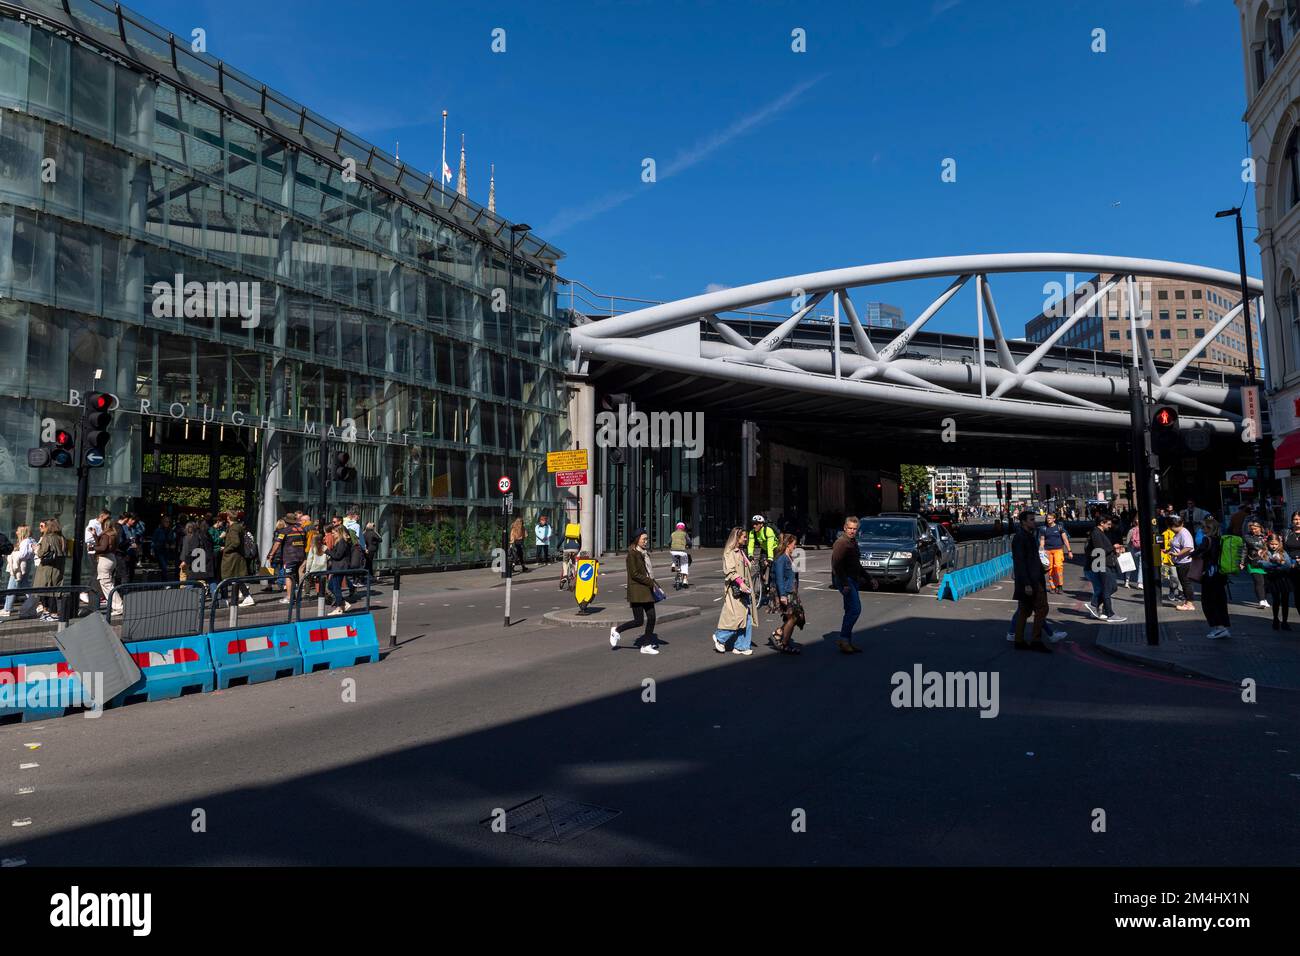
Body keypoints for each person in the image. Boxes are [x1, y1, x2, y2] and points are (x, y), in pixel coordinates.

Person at [609, 529, 659, 654]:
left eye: (647, 539)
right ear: (637, 539)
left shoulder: (644, 553)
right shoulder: (632, 554)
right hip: (637, 591)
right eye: (644, 539)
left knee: (652, 617)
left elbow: (647, 572)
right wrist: (650, 582)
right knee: (639, 621)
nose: (646, 541)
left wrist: (653, 583)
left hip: (646, 590)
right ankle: (616, 631)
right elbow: (634, 574)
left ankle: (646, 646)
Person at [830, 515, 873, 654]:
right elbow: (836, 565)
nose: (852, 531)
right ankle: (843, 639)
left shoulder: (853, 542)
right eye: (849, 528)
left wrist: (869, 578)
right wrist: (844, 583)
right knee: (855, 609)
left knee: (850, 610)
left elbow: (857, 565)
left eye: (854, 529)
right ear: (844, 528)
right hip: (846, 580)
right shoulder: (841, 543)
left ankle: (846, 641)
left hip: (853, 579)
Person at [1012, 510, 1052, 651]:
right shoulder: (1020, 538)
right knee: (1042, 608)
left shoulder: (1029, 536)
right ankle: (1035, 640)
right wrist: (1027, 584)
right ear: (1023, 522)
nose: (1034, 522)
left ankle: (1019, 640)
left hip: (1033, 577)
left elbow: (1032, 559)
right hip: (1031, 581)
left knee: (1025, 610)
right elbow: (1021, 562)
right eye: (1031, 520)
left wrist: (1042, 568)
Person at [712, 527, 753, 655]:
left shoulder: (741, 551)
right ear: (737, 537)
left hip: (744, 588)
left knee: (746, 617)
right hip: (735, 589)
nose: (746, 539)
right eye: (744, 537)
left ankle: (741, 646)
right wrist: (741, 583)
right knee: (737, 617)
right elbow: (730, 571)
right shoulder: (730, 552)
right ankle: (720, 637)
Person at [1083, 513, 1127, 622]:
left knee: (1113, 587)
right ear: (1101, 523)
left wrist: (1115, 549)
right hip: (1102, 565)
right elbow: (1100, 550)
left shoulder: (1101, 533)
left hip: (1106, 563)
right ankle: (1109, 614)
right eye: (1108, 524)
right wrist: (1113, 547)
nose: (1110, 526)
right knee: (1107, 589)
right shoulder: (1096, 533)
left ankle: (1094, 605)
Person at [768, 533, 803, 654]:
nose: (795, 546)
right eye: (794, 544)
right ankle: (784, 644)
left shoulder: (791, 557)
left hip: (792, 592)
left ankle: (778, 633)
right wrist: (782, 595)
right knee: (792, 618)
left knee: (795, 617)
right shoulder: (781, 559)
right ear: (788, 544)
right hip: (785, 593)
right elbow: (779, 578)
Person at [1197, 517, 1231, 639]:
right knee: (1220, 601)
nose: (1202, 529)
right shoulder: (1221, 539)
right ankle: (1223, 627)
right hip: (1221, 575)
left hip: (1210, 575)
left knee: (1208, 602)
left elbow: (1198, 552)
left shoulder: (1207, 540)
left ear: (1209, 528)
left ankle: (1218, 627)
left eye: (1204, 527)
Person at [267, 514, 307, 605]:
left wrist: (271, 555)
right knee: (296, 577)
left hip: (290, 557)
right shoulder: (302, 530)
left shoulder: (284, 531)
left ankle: (289, 597)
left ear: (286, 521)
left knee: (288, 577)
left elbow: (277, 544)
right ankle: (297, 596)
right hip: (301, 556)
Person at [220, 511, 254, 607]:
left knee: (227, 577)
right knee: (236, 578)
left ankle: (226, 600)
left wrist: (226, 549)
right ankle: (245, 597)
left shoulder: (233, 528)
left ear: (228, 518)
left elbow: (236, 542)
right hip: (237, 557)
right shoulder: (238, 527)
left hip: (231, 557)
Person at [1, 525, 37, 617]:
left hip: (19, 567)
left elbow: (22, 554)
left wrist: (13, 554)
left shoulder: (25, 541)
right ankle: (36, 603)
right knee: (25, 586)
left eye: (17, 531)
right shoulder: (31, 540)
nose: (16, 532)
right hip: (25, 565)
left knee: (11, 587)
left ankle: (7, 608)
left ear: (22, 532)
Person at [1262, 533, 1294, 630]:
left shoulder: (1283, 552)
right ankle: (1275, 619)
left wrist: (1273, 564)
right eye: (1272, 544)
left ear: (1279, 543)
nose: (1274, 546)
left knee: (1285, 601)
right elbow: (1263, 564)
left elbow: (1287, 565)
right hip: (1273, 579)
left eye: (1276, 544)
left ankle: (1285, 621)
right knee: (1276, 600)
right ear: (1268, 543)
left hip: (1284, 579)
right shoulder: (1265, 553)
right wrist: (1278, 564)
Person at [1166, 515, 1196, 612]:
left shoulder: (1183, 533)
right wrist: (1170, 550)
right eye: (1172, 527)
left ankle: (1189, 604)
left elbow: (1188, 547)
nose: (1173, 529)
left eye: (1175, 527)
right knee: (1184, 582)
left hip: (1185, 562)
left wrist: (1177, 554)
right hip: (1180, 561)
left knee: (1186, 582)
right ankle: (1188, 602)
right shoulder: (1179, 532)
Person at [746, 515, 778, 608]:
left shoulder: (768, 530)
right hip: (764, 549)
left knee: (772, 569)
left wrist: (770, 559)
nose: (754, 526)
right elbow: (750, 545)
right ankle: (763, 582)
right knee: (761, 565)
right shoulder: (752, 533)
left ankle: (772, 586)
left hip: (774, 549)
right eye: (753, 524)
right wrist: (750, 555)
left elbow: (770, 545)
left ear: (761, 524)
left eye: (756, 524)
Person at [1038, 512, 1072, 593]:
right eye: (1047, 518)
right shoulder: (1044, 529)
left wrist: (1069, 551)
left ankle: (1060, 585)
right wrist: (1041, 550)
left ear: (1054, 519)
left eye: (1050, 518)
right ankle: (1052, 587)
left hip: (1058, 550)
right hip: (1048, 551)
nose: (1048, 519)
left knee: (1058, 567)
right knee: (1050, 569)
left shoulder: (1059, 528)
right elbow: (1042, 540)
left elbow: (1065, 540)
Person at [94, 522, 123, 616]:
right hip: (110, 558)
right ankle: (116, 605)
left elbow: (102, 548)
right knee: (107, 583)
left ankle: (118, 607)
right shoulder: (113, 535)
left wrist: (92, 548)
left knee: (106, 584)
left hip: (105, 559)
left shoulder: (106, 535)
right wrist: (95, 536)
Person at [325, 526, 354, 615]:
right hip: (338, 567)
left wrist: (327, 551)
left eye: (334, 533)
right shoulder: (339, 542)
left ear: (339, 533)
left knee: (336, 587)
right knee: (331, 586)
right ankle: (343, 604)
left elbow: (338, 555)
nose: (332, 535)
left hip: (340, 567)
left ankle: (339, 608)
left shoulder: (342, 542)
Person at [151, 516, 176, 580]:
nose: (167, 523)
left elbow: (172, 540)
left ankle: (161, 581)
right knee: (164, 567)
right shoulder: (158, 530)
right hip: (159, 551)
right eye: (165, 521)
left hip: (167, 551)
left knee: (164, 567)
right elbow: (153, 541)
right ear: (162, 522)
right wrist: (152, 550)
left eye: (168, 522)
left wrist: (172, 545)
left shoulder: (170, 531)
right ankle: (165, 582)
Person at [1124, 516, 1144, 589]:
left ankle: (1127, 581)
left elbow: (1127, 542)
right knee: (1141, 567)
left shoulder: (1131, 530)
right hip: (1141, 550)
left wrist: (1128, 551)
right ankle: (1140, 583)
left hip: (1133, 550)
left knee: (1129, 566)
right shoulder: (1143, 530)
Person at [668, 521, 691, 588]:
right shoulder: (685, 534)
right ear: (683, 528)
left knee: (674, 557)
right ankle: (684, 580)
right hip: (682, 551)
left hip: (673, 551)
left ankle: (673, 564)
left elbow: (669, 542)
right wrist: (688, 546)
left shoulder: (673, 534)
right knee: (685, 564)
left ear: (677, 527)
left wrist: (671, 546)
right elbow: (689, 542)